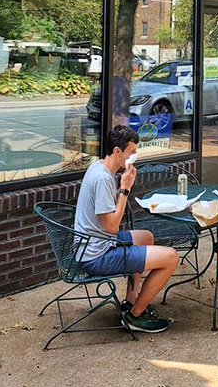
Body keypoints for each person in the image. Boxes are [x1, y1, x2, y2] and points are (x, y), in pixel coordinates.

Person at [74, 125, 179, 333]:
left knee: (146, 237)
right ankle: (136, 315)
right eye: (132, 152)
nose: (135, 156)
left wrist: (123, 185)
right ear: (117, 151)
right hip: (97, 255)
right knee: (171, 257)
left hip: (93, 242)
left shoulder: (99, 167)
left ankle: (131, 301)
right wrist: (125, 188)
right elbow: (112, 227)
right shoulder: (103, 179)